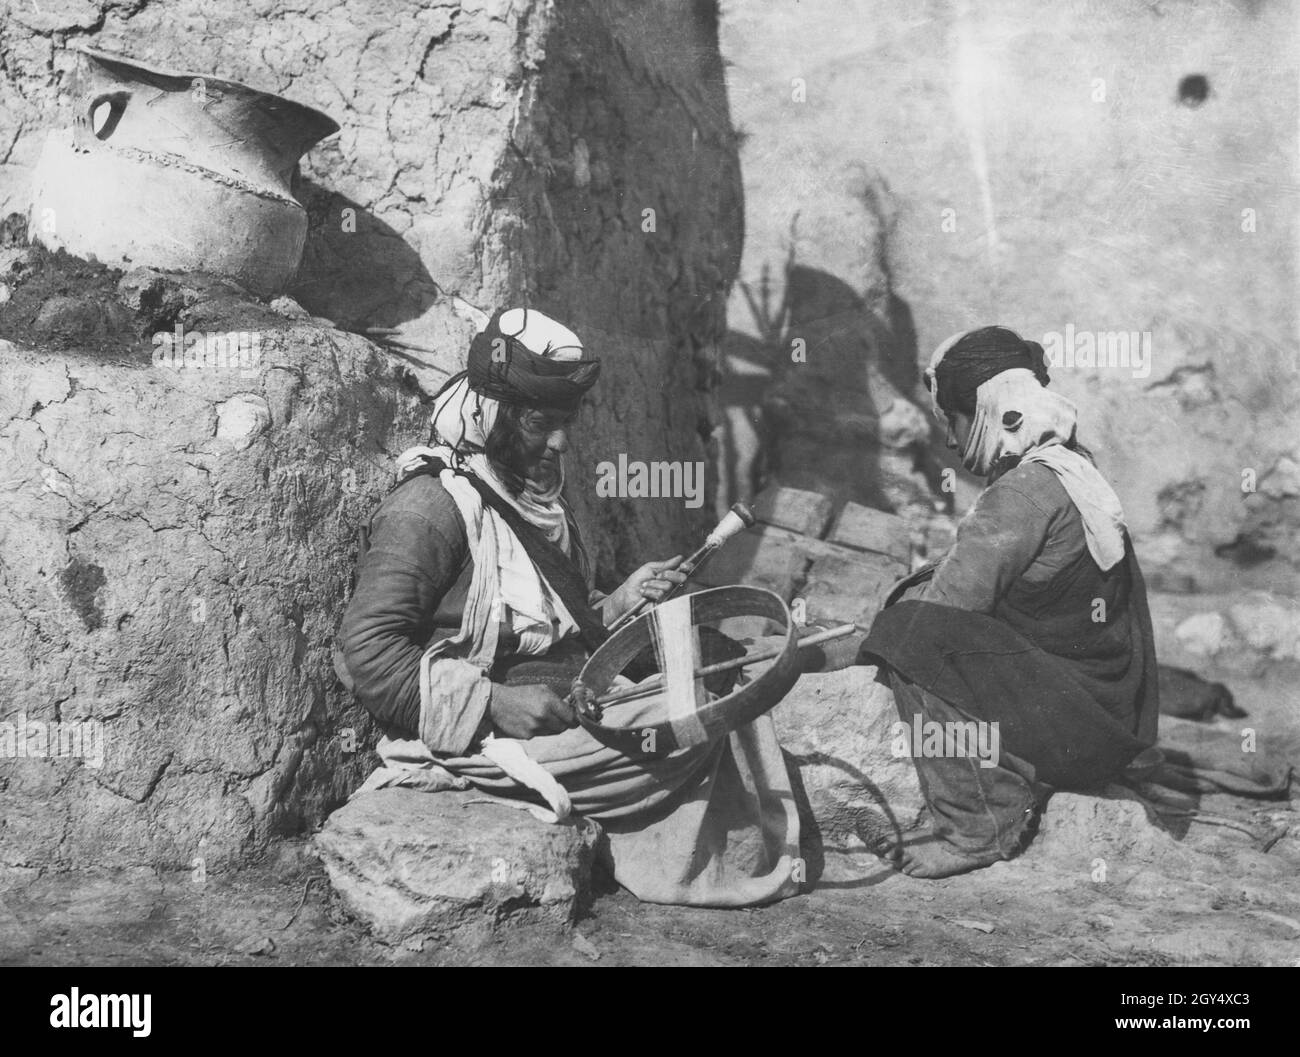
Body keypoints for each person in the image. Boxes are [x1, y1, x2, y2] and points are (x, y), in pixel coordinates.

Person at [335, 307, 800, 906]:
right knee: (687, 712)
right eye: (540, 421)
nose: (560, 441)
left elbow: (551, 627)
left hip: (564, 691)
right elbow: (368, 653)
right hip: (496, 731)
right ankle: (675, 854)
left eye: (566, 422)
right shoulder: (428, 510)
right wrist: (494, 703)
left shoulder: (531, 498)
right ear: (493, 412)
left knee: (728, 662)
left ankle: (707, 838)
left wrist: (621, 601)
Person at [858, 326, 1159, 878]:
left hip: (1077, 733)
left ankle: (978, 826)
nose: (951, 440)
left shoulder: (1023, 493)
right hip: (1104, 719)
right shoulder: (1072, 471)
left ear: (989, 411)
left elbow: (945, 612)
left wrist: (849, 645)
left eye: (953, 419)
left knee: (909, 635)